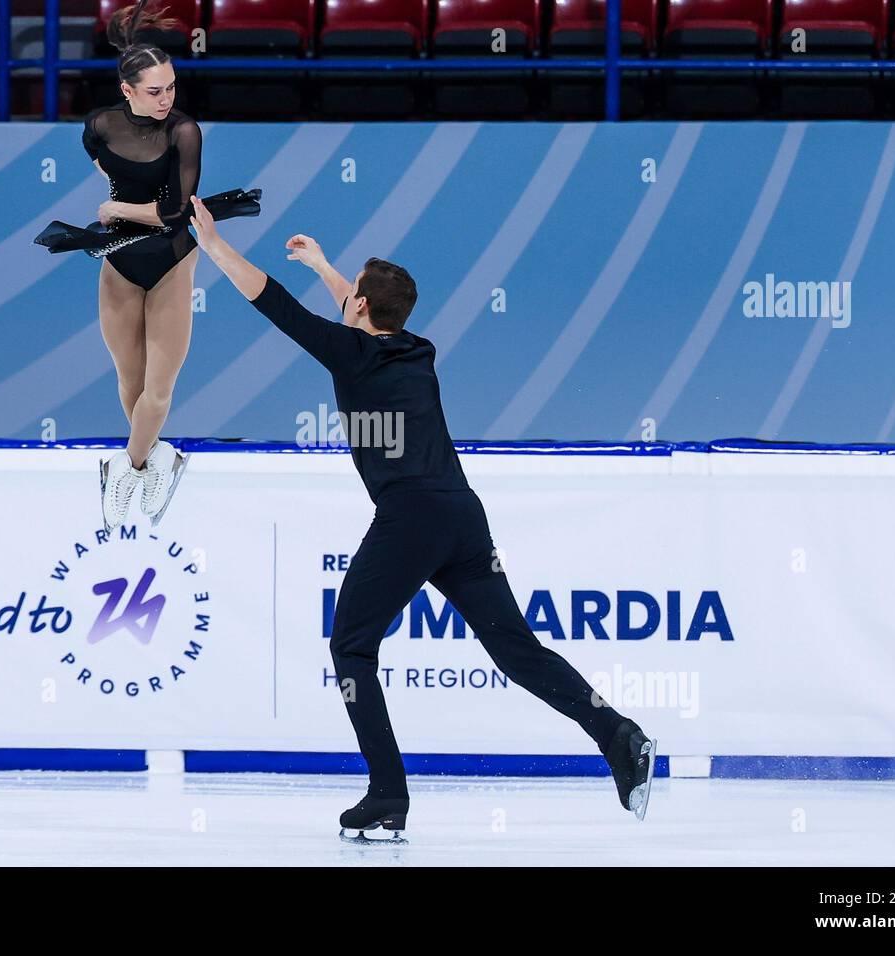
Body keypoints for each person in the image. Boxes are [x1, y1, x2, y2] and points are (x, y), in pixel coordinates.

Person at [187, 194, 657, 842]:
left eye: (348, 292)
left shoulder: (350, 353)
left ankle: (388, 791)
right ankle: (619, 734)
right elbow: (359, 311)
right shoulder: (416, 348)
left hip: (409, 517)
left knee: (351, 645)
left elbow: (275, 304)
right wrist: (325, 265)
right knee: (517, 652)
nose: (344, 298)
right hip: (463, 515)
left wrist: (214, 247)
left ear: (359, 308)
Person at [85, 0, 199, 529]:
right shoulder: (98, 128)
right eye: (155, 91)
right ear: (126, 91)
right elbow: (112, 170)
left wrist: (117, 210)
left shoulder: (184, 132)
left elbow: (176, 212)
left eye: (172, 88)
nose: (166, 99)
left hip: (172, 260)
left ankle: (126, 469)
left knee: (159, 385)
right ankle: (160, 459)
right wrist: (119, 214)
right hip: (120, 262)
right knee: (129, 379)